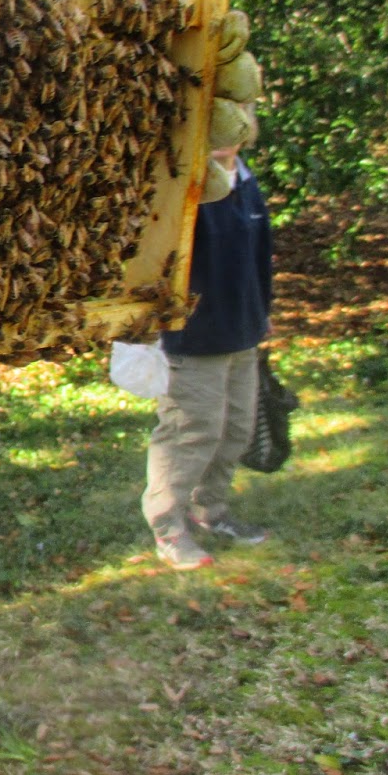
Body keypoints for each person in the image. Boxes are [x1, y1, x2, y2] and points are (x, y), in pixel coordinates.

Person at [142, 105, 274, 571]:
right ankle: (169, 527)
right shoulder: (182, 184)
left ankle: (210, 511)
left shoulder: (246, 180)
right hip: (193, 336)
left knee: (235, 428)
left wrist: (263, 314)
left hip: (241, 330)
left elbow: (260, 255)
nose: (222, 136)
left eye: (232, 123)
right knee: (190, 431)